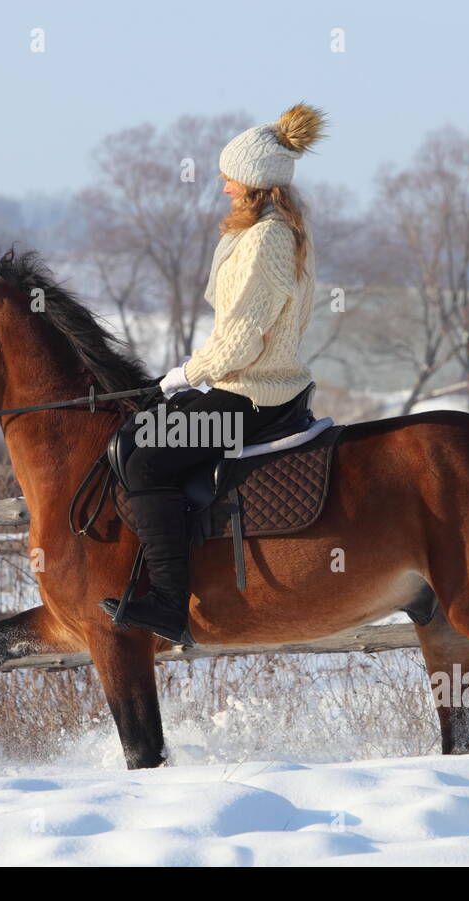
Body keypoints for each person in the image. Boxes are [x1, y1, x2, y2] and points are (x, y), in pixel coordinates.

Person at [101, 103, 327, 645]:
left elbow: (242, 337)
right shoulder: (270, 230)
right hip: (246, 385)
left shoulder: (267, 239)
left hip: (252, 395)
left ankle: (168, 603)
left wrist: (185, 373)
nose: (223, 185)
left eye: (231, 177)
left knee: (149, 460)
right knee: (143, 438)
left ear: (254, 183)